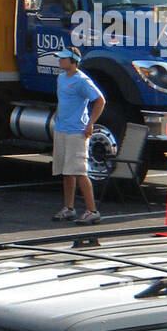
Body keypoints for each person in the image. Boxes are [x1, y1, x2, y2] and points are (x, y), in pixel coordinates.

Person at [51, 46, 105, 224]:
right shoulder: (61, 78)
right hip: (61, 130)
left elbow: (99, 100)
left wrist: (90, 124)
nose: (60, 60)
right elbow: (63, 100)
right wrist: (57, 115)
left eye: (63, 58)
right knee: (66, 172)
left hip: (77, 132)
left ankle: (92, 211)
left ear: (73, 61)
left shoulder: (82, 80)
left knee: (80, 172)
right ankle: (69, 208)